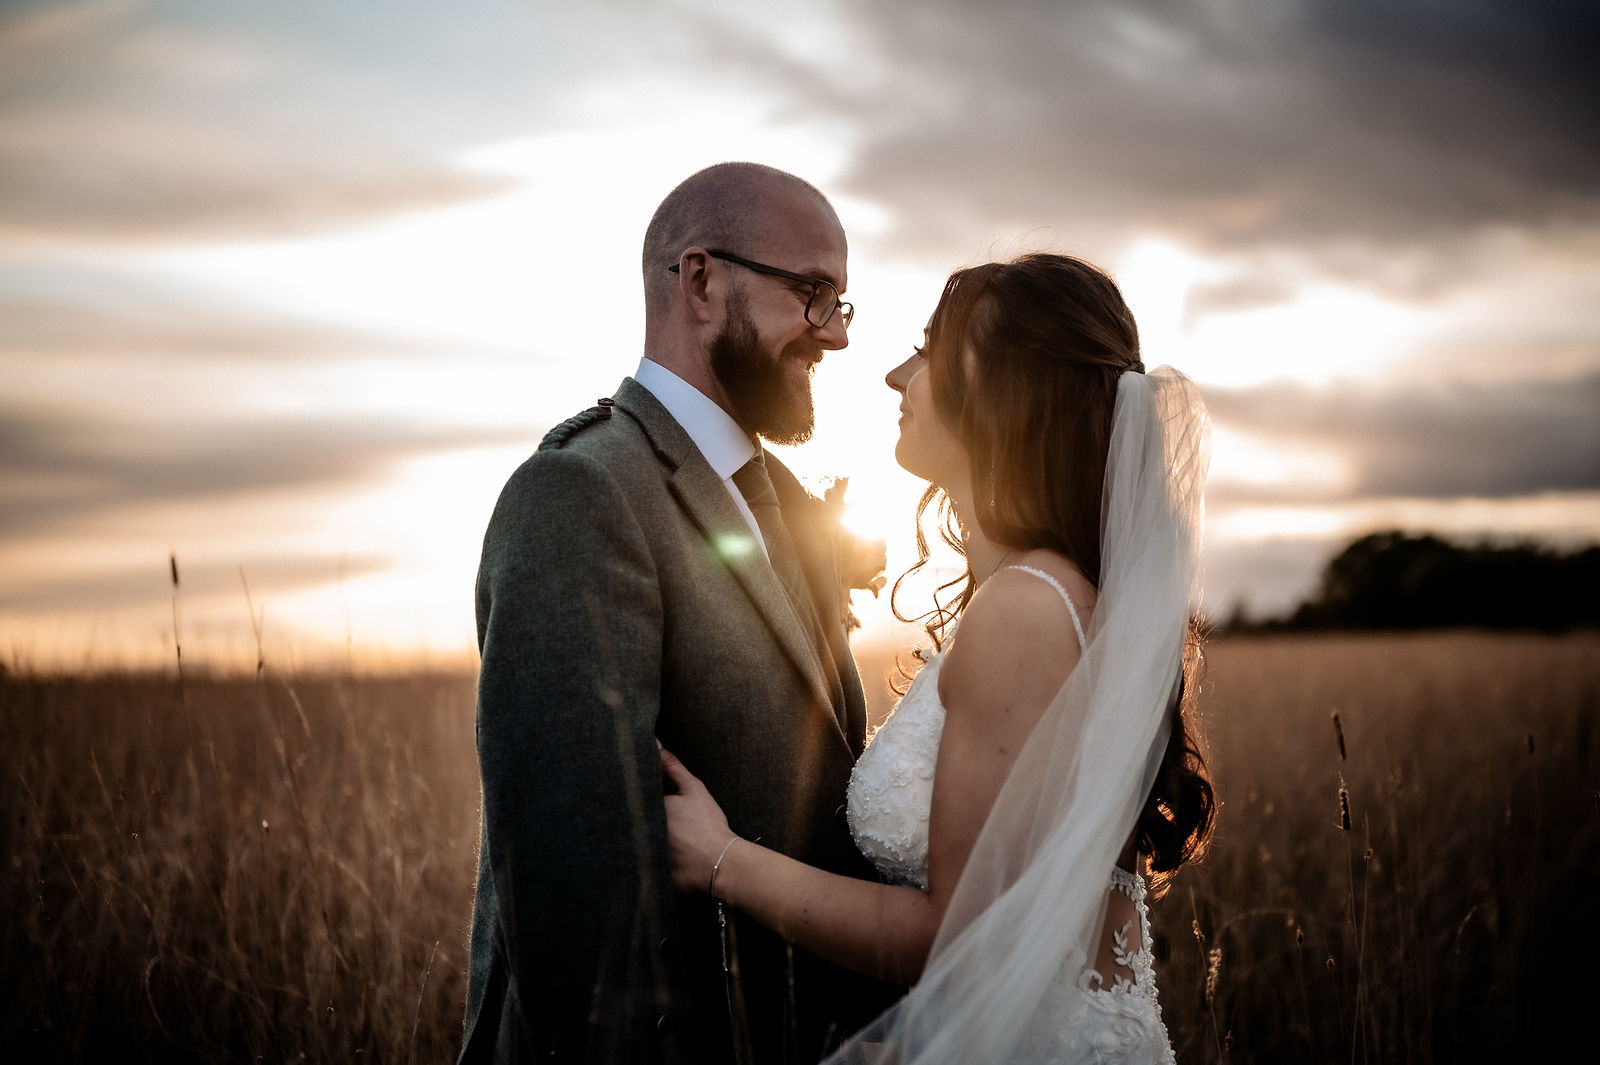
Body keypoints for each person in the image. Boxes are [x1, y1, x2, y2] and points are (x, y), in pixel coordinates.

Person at [661, 253, 1216, 1063]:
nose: (895, 375)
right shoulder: (1052, 595)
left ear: (1002, 388)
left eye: (927, 350)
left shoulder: (1027, 608)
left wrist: (723, 861)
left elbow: (951, 938)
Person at [461, 162, 899, 1064]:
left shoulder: (777, 496)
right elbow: (576, 906)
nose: (836, 336)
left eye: (841, 303)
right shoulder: (578, 494)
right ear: (700, 280)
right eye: (812, 295)